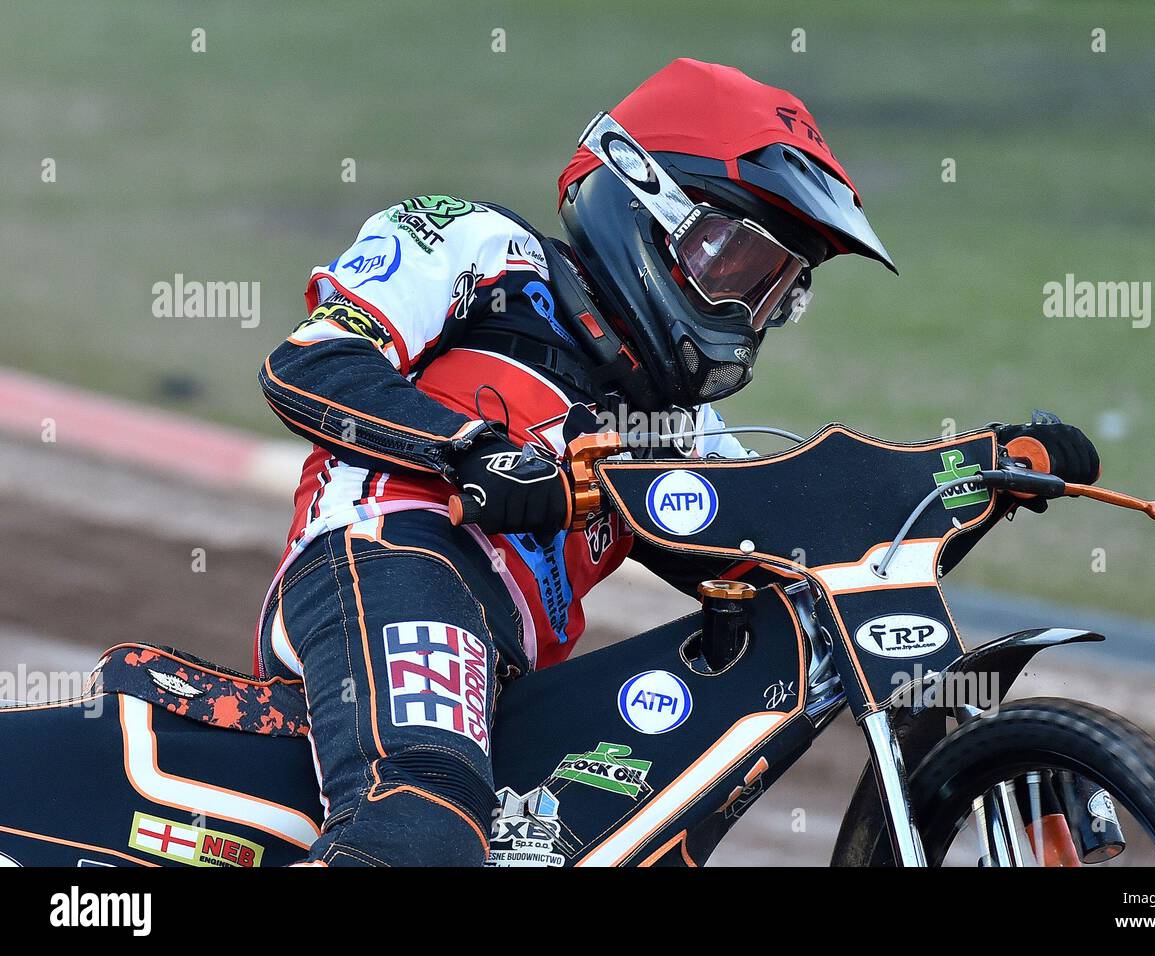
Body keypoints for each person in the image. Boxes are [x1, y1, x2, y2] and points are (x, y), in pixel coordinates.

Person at [254, 58, 1099, 866]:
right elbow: (311, 363)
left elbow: (806, 558)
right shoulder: (481, 246)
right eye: (733, 262)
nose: (747, 308)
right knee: (422, 831)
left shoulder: (681, 427)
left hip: (511, 665)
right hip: (385, 558)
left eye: (774, 287)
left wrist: (980, 475)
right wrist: (472, 451)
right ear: (639, 200)